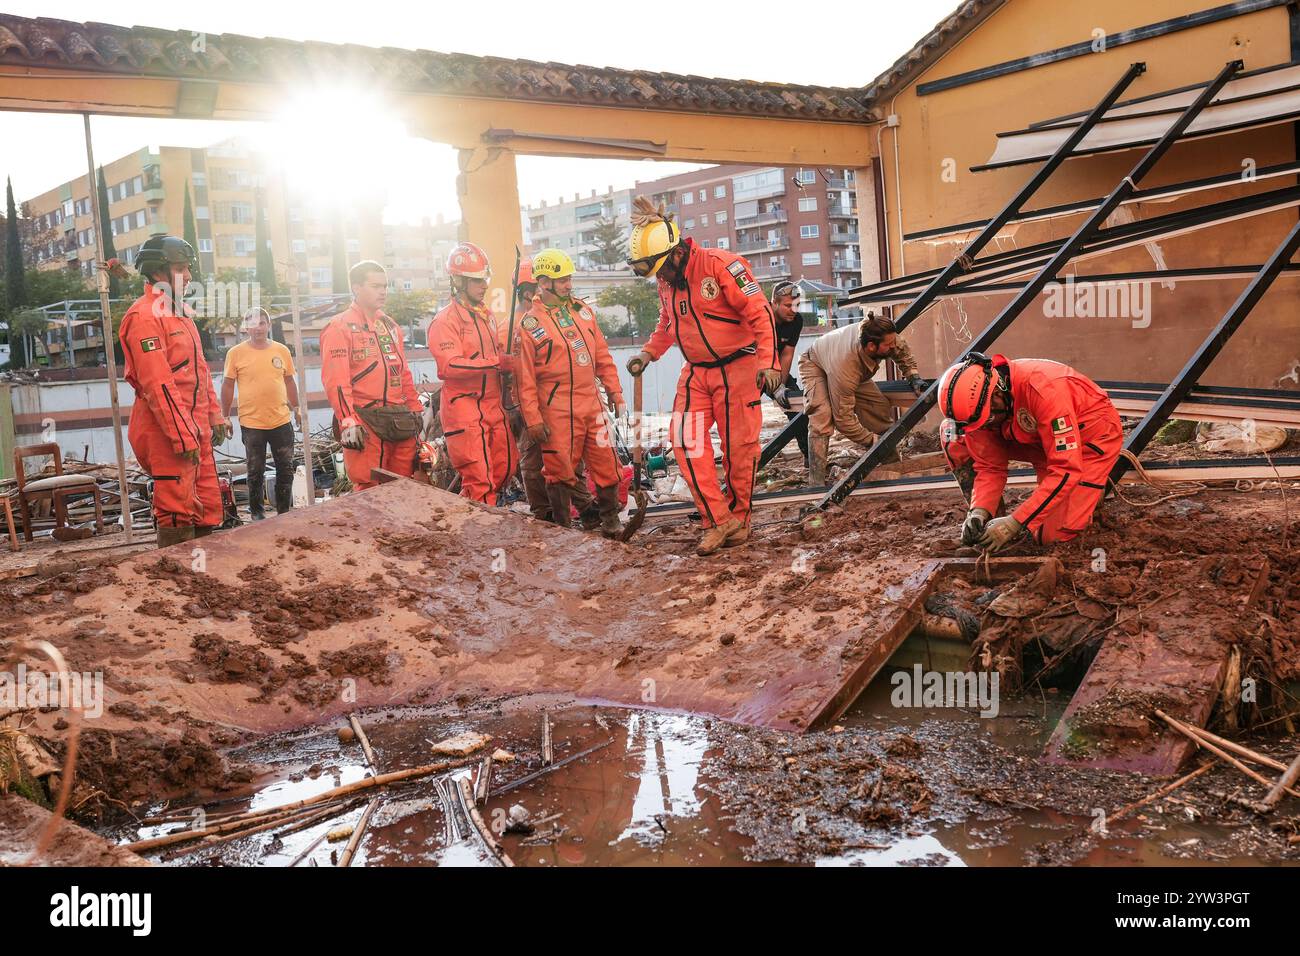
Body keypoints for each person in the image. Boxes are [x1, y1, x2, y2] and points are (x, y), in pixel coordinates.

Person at [624, 196, 779, 555]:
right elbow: (667, 324)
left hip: (739, 367)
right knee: (686, 442)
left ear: (677, 252)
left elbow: (760, 313)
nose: (659, 278)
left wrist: (769, 363)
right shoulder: (667, 281)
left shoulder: (722, 266)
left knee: (740, 450)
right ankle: (716, 519)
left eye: (661, 270)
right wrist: (649, 353)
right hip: (695, 372)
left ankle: (740, 521)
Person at [937, 353, 1123, 552]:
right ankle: (988, 525)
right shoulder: (983, 411)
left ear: (998, 394)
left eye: (987, 419)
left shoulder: (1045, 391)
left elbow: (1066, 469)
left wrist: (1015, 523)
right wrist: (979, 510)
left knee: (1050, 536)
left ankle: (1091, 491)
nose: (985, 427)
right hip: (1033, 438)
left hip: (1088, 441)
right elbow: (990, 467)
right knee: (953, 434)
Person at [119, 236, 229, 546]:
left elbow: (199, 372)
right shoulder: (143, 318)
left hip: (196, 428)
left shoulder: (180, 313)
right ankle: (177, 579)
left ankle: (205, 575)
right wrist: (181, 435)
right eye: (181, 269)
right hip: (165, 431)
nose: (190, 276)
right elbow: (158, 384)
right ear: (158, 273)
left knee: (206, 504)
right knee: (177, 508)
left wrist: (215, 416)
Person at [515, 248, 626, 536]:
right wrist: (533, 419)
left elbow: (602, 356)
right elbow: (524, 378)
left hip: (592, 400)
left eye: (568, 279)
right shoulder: (530, 324)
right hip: (556, 406)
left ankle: (610, 521)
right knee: (558, 468)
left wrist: (615, 392)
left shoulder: (583, 311)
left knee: (606, 460)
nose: (568, 284)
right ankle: (563, 529)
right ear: (544, 282)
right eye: (561, 279)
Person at [499, 258, 598, 524]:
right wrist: (515, 409)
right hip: (524, 406)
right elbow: (509, 375)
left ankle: (585, 507)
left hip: (557, 404)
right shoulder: (509, 327)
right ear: (528, 291)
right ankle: (545, 513)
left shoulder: (552, 317)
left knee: (567, 460)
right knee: (532, 464)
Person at [426, 241, 517, 504]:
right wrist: (495, 363)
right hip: (463, 407)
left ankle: (468, 518)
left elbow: (497, 357)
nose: (484, 285)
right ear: (459, 281)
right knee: (480, 479)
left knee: (506, 467)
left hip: (492, 405)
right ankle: (484, 535)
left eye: (485, 279)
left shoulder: (486, 316)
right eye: (477, 280)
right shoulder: (445, 321)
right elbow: (449, 365)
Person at [320, 260, 423, 491]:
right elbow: (336, 381)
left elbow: (403, 371)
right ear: (356, 287)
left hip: (399, 418)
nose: (383, 291)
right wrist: (348, 420)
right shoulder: (339, 327)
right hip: (365, 419)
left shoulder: (389, 326)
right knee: (369, 486)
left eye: (385, 286)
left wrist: (416, 410)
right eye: (375, 286)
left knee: (402, 485)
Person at [798, 313, 927, 485]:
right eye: (888, 345)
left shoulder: (881, 334)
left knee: (877, 406)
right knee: (822, 417)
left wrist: (914, 377)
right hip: (815, 364)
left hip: (850, 366)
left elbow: (900, 349)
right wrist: (872, 441)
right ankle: (816, 482)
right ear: (872, 346)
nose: (892, 346)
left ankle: (892, 462)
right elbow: (843, 420)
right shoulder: (847, 369)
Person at [221, 307, 299, 520]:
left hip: (281, 420)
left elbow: (289, 380)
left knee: (286, 468)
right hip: (252, 423)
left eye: (262, 323)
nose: (257, 328)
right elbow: (227, 385)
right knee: (255, 472)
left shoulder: (281, 350)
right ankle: (257, 514)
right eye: (252, 324)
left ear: (268, 325)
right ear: (246, 328)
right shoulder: (235, 353)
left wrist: (297, 408)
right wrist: (225, 416)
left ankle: (284, 512)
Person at [768, 280, 809, 458]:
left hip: (775, 369)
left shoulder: (796, 320)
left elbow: (786, 354)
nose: (793, 310)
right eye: (787, 305)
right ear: (773, 303)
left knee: (800, 410)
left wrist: (780, 385)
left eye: (797, 305)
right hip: (747, 371)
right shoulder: (760, 317)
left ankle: (811, 458)